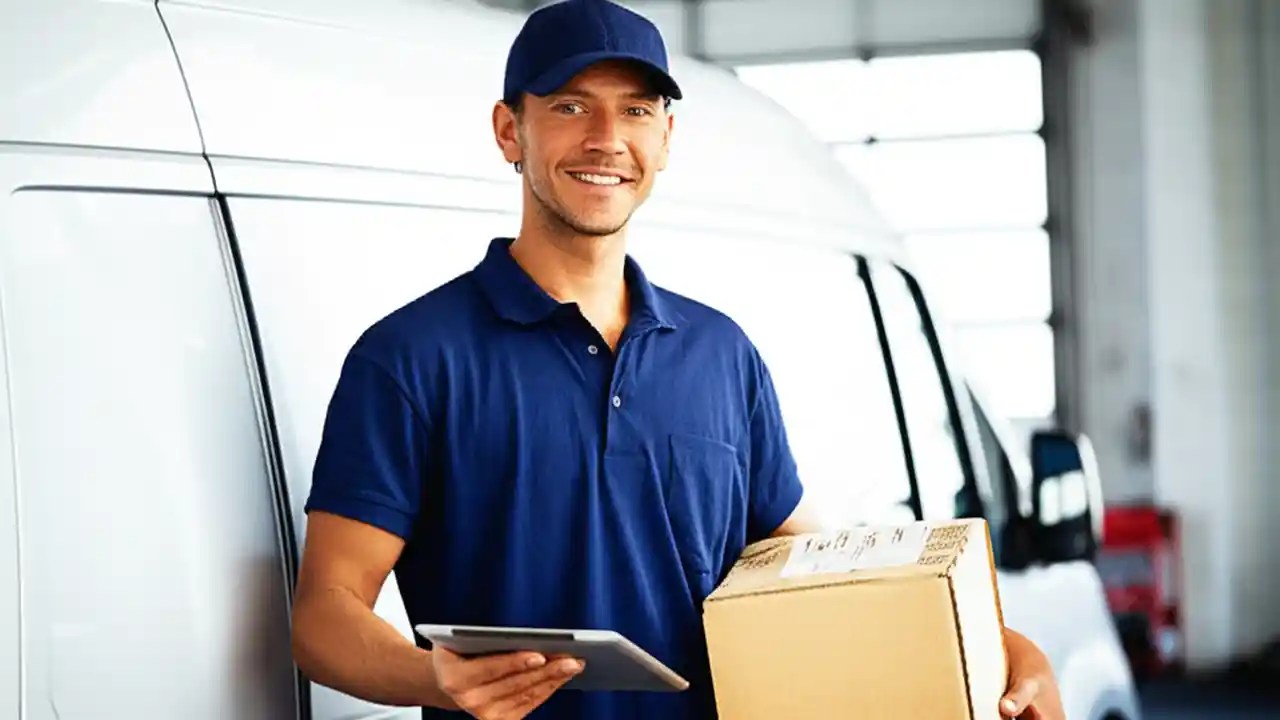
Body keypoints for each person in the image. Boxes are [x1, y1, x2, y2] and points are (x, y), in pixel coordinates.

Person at [290, 0, 1065, 718]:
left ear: (665, 140)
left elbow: (815, 584)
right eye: (569, 106)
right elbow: (324, 613)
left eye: (635, 110)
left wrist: (1003, 649)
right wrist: (435, 678)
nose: (606, 139)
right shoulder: (410, 358)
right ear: (508, 131)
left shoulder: (721, 354)